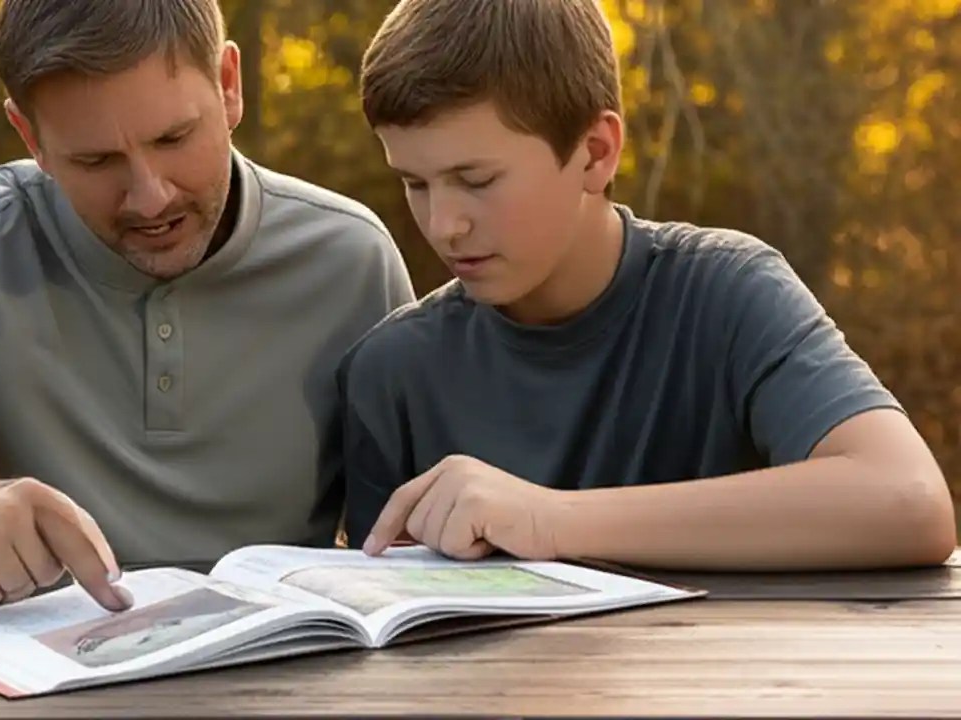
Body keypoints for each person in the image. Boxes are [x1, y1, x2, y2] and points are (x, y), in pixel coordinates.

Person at [0, 0, 415, 609]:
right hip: (43, 687)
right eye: (95, 161)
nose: (150, 196)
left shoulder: (349, 261)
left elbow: (417, 556)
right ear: (31, 139)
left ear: (229, 86)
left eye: (174, 139)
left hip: (294, 683)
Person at [339, 0, 956, 571]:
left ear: (595, 152)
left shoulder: (726, 295)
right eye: (415, 184)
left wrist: (550, 521)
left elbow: (910, 500)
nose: (444, 225)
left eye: (475, 180)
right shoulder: (393, 373)